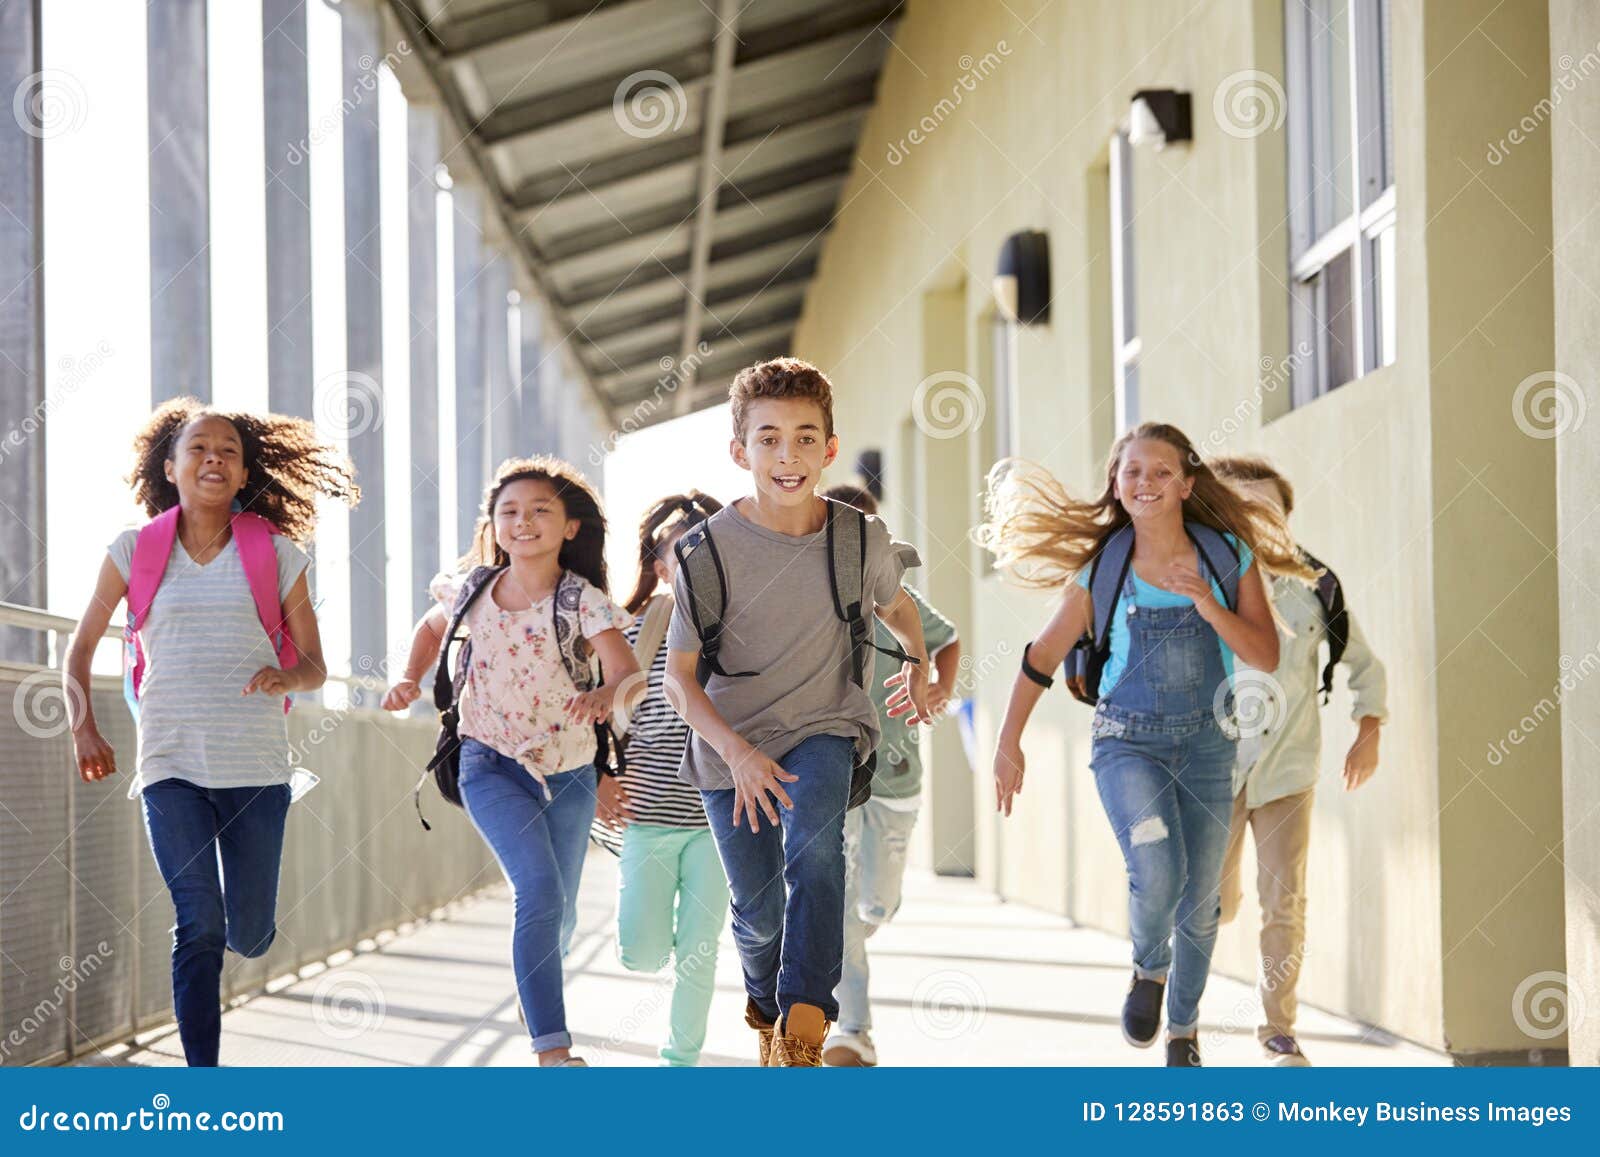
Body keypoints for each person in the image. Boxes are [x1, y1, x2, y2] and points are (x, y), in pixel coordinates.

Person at [979, 422, 1311, 1066]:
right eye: (1132, 471)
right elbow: (1043, 655)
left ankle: (1183, 1032)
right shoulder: (1104, 568)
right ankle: (1149, 970)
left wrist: (1209, 606)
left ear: (1187, 484)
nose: (1146, 482)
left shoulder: (1225, 556)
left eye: (1161, 472)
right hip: (1127, 743)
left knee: (1203, 900)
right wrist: (1007, 741)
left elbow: (1265, 654)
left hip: (1210, 748)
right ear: (1116, 483)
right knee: (1157, 867)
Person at [66, 398, 357, 1066]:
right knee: (199, 923)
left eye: (227, 449)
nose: (213, 458)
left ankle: (247, 936)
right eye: (198, 448)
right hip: (169, 763)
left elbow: (314, 665)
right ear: (169, 467)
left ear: (244, 469)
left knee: (247, 934)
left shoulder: (277, 553)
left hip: (255, 768)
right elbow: (78, 650)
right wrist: (83, 724)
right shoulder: (133, 549)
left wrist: (285, 677)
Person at [664, 357, 933, 1066]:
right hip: (732, 745)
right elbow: (679, 680)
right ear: (739, 450)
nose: (789, 455)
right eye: (770, 438)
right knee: (758, 914)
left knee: (817, 852)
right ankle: (766, 1006)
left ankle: (809, 1023)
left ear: (831, 447)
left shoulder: (858, 538)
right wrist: (740, 754)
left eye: (806, 437)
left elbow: (898, 608)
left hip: (827, 725)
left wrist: (922, 660)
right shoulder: (703, 554)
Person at [383, 456, 637, 1067]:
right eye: (510, 512)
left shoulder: (584, 600)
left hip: (571, 768)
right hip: (489, 761)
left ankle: (536, 988)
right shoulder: (471, 589)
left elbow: (627, 674)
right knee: (539, 888)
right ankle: (553, 1050)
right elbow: (428, 627)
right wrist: (408, 678)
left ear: (569, 527)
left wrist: (607, 693)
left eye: (540, 511)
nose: (524, 522)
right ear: (494, 525)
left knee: (564, 909)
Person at [1210, 455, 1387, 1067]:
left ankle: (1278, 1029)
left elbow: (1364, 665)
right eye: (1243, 509)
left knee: (1284, 900)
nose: (1259, 519)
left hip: (1289, 769)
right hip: (1215, 770)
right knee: (1216, 904)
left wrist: (1369, 730)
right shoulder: (1202, 581)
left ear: (1286, 516)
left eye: (1269, 508)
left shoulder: (1318, 585)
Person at [815, 482, 961, 1067]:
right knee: (843, 906)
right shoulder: (808, 593)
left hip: (897, 775)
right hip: (834, 770)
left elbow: (946, 642)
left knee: (877, 904)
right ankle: (853, 1030)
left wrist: (937, 689)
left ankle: (862, 928)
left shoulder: (897, 597)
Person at [600, 491, 729, 1066]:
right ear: (660, 568)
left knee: (699, 951)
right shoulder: (634, 636)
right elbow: (596, 719)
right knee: (644, 953)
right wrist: (601, 777)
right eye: (685, 555)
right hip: (645, 823)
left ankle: (680, 1064)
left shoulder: (743, 638)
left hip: (718, 823)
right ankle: (650, 947)